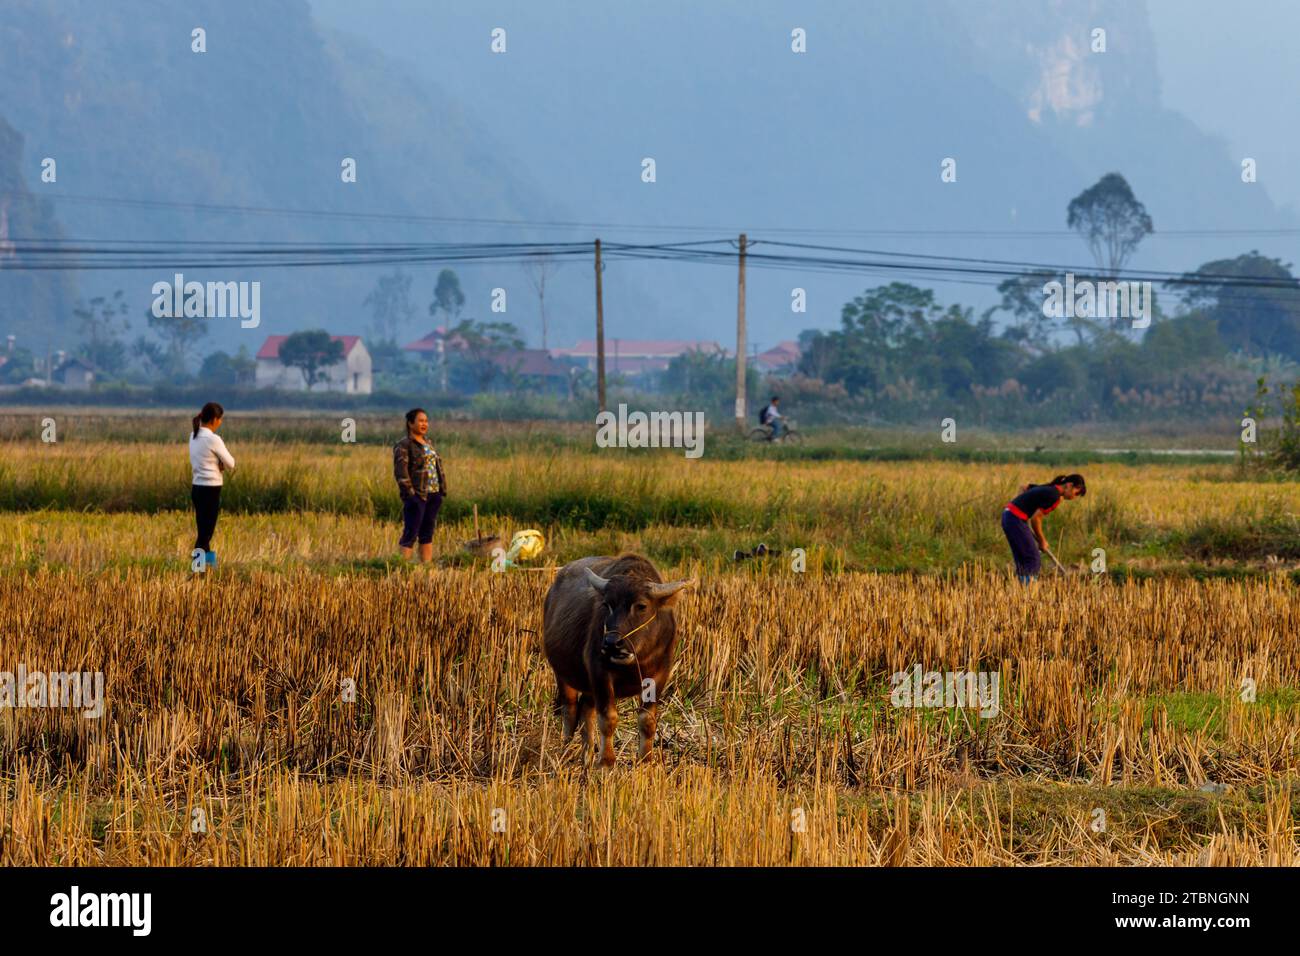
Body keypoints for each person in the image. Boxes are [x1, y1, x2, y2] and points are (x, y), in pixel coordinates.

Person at [1002, 474, 1085, 583]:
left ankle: (1020, 590)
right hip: (1015, 519)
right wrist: (1042, 541)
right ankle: (1028, 592)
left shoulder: (1048, 488)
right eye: (1075, 493)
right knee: (1033, 559)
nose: (1073, 497)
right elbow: (1035, 519)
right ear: (1069, 485)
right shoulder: (1054, 496)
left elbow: (1024, 487)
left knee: (1023, 559)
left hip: (1009, 516)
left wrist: (1020, 504)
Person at [393, 407, 447, 563]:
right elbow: (401, 473)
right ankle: (402, 568)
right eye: (421, 421)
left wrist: (441, 491)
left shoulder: (428, 443)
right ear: (410, 423)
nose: (424, 424)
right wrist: (411, 496)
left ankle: (426, 568)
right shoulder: (404, 445)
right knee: (411, 532)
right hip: (417, 495)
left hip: (434, 493)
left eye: (426, 421)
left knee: (427, 532)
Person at [189, 402, 235, 574]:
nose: (220, 422)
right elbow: (231, 463)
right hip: (211, 489)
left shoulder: (193, 436)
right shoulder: (213, 439)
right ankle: (198, 570)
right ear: (215, 419)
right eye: (220, 419)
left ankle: (208, 569)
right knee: (205, 535)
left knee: (203, 532)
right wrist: (220, 463)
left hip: (197, 488)